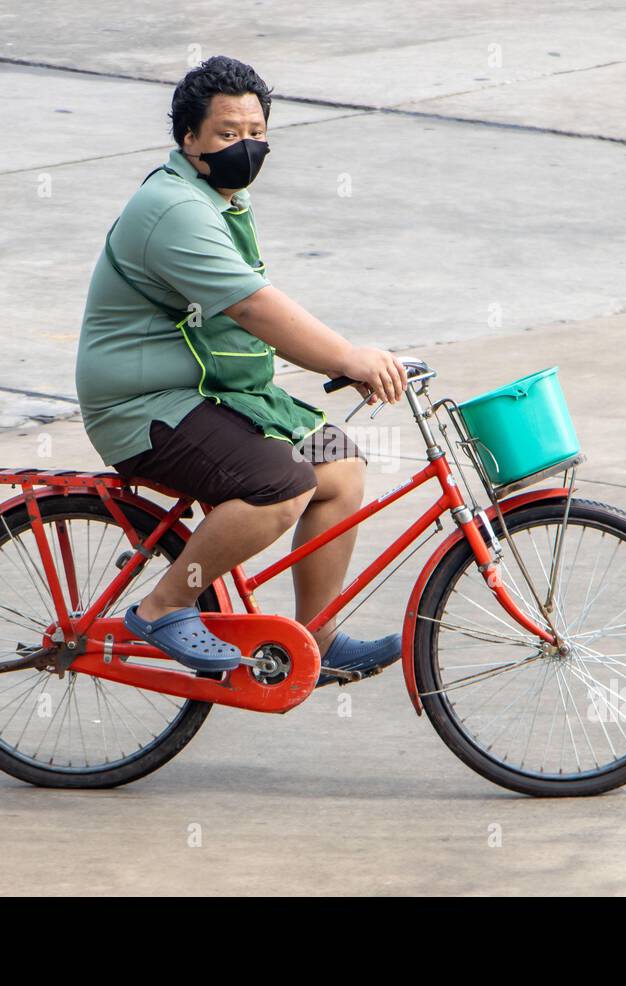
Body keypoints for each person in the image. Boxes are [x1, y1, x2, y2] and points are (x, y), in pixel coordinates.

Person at [76, 55, 408, 684]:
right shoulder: (174, 210)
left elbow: (255, 310)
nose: (246, 146)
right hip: (146, 407)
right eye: (228, 134)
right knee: (280, 483)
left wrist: (346, 358)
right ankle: (164, 606)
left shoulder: (221, 198)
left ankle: (317, 636)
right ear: (189, 140)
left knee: (339, 464)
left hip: (212, 394)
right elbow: (255, 308)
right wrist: (347, 357)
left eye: (256, 132)